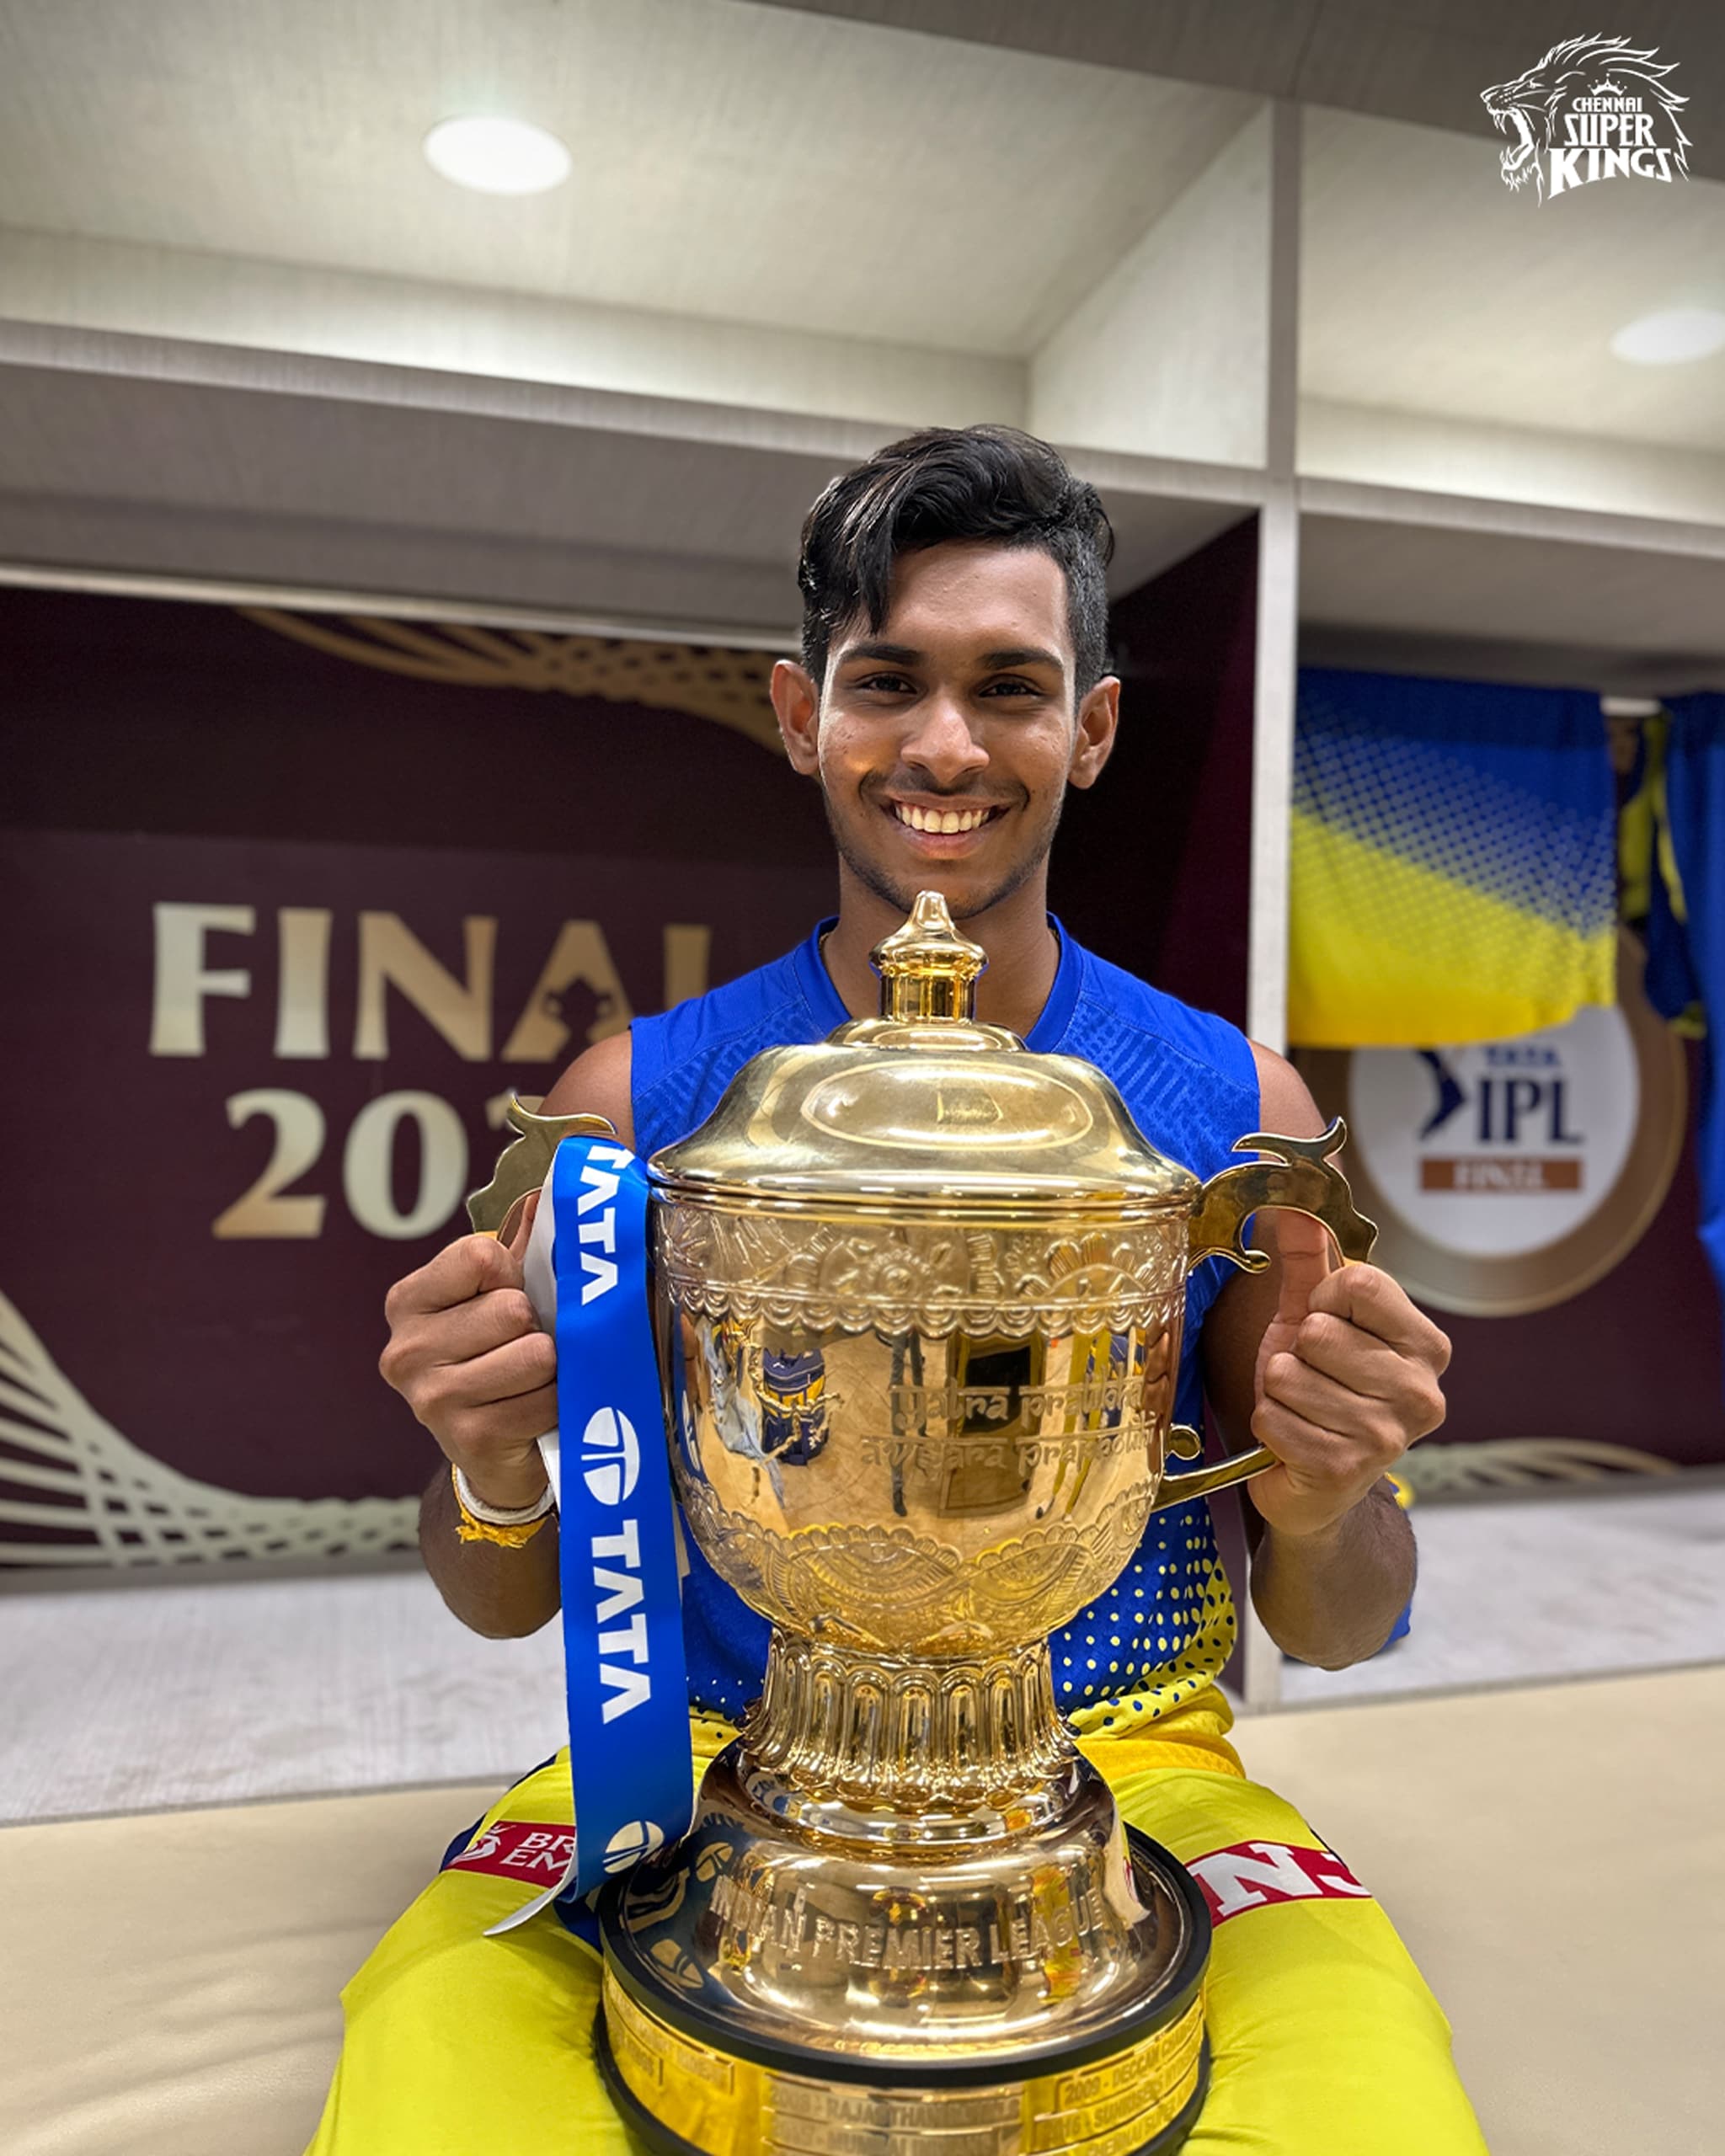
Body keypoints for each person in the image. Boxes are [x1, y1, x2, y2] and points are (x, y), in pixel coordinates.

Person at [311, 427, 1484, 2154]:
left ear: (1087, 729)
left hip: (1126, 1757)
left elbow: (1340, 1616)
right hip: (694, 1750)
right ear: (804, 716)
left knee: (1374, 2102)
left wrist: (1330, 1488)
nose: (944, 743)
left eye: (1010, 686)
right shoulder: (639, 1097)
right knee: (431, 2061)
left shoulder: (1237, 1104)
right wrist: (488, 1457)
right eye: (888, 683)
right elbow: (505, 1598)